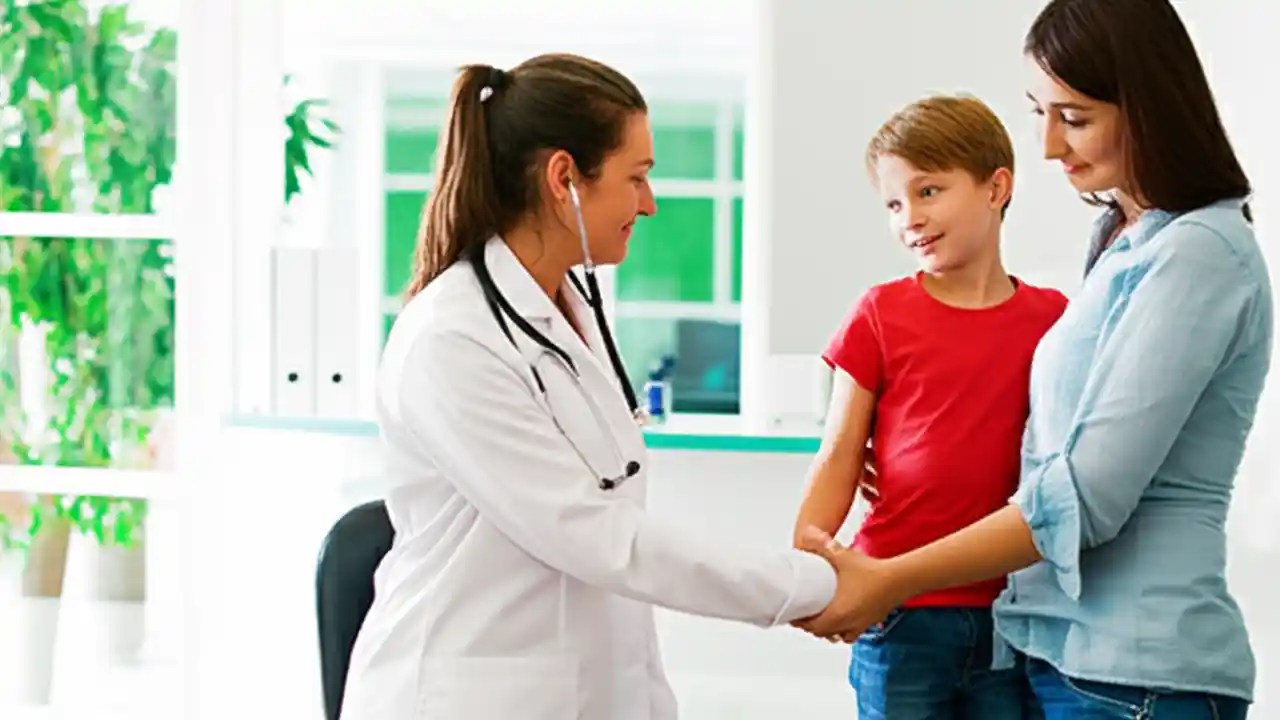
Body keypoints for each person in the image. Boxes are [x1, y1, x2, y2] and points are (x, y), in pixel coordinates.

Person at [338, 53, 860, 720]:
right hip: (463, 695)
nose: (650, 202)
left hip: (581, 686)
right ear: (565, 179)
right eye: (636, 177)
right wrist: (812, 584)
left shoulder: (563, 312)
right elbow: (598, 537)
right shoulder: (452, 339)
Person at [794, 1, 1271, 718]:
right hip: (1061, 657)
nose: (1048, 146)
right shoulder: (1125, 241)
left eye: (1073, 118)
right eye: (1039, 113)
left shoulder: (1197, 254)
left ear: (1145, 105)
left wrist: (888, 579)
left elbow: (1083, 497)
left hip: (1134, 672)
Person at [793, 94, 1066, 719]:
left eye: (928, 191)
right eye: (893, 203)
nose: (908, 217)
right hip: (899, 617)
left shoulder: (1054, 319)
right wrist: (807, 562)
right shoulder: (879, 313)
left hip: (1012, 614)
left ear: (997, 187)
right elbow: (838, 455)